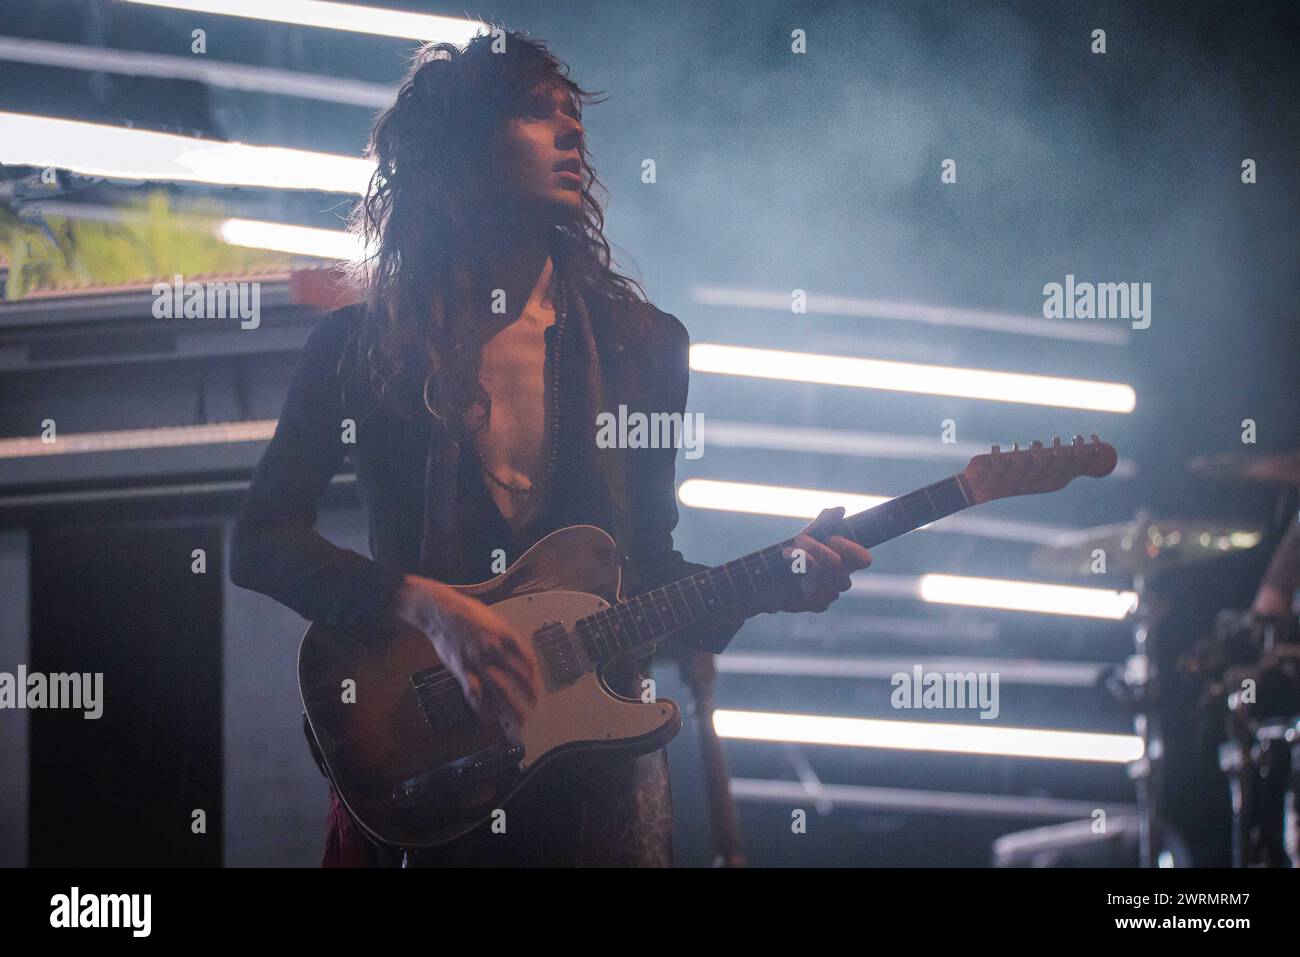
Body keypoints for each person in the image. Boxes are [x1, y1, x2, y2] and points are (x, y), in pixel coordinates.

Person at [229, 29, 871, 867]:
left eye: (575, 116)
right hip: (427, 772)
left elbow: (644, 576)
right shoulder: (358, 347)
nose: (573, 133)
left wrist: (773, 584)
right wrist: (423, 603)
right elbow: (259, 542)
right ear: (458, 153)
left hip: (595, 795)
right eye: (537, 113)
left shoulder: (644, 347)